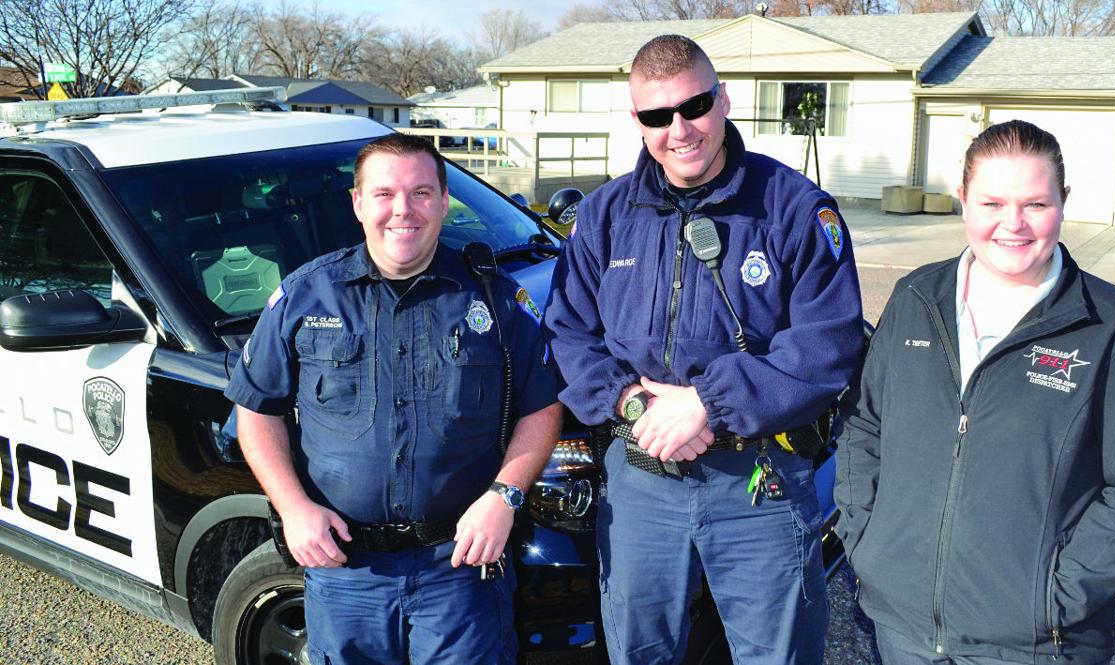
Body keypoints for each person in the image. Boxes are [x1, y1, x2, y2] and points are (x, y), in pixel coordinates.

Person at [544, 35, 863, 664]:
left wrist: (706, 405)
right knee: (639, 651)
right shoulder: (605, 217)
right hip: (640, 483)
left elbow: (829, 346)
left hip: (758, 482)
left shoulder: (794, 210)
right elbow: (567, 335)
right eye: (658, 116)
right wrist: (633, 402)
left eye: (694, 107)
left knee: (777, 654)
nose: (680, 130)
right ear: (638, 121)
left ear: (723, 99)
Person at [835, 119, 1115, 664]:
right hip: (903, 629)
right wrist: (867, 541)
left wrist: (1057, 593)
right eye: (992, 203)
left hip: (1036, 645)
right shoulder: (915, 298)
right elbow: (865, 422)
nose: (1013, 225)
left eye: (1035, 204)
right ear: (963, 201)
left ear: (1064, 202)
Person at [224, 133, 562, 664]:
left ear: (444, 202)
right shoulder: (305, 295)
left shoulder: (496, 299)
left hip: (461, 571)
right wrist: (293, 508)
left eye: (422, 193)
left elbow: (541, 407)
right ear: (359, 203)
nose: (403, 210)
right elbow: (256, 409)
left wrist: (505, 495)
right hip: (345, 573)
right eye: (384, 194)